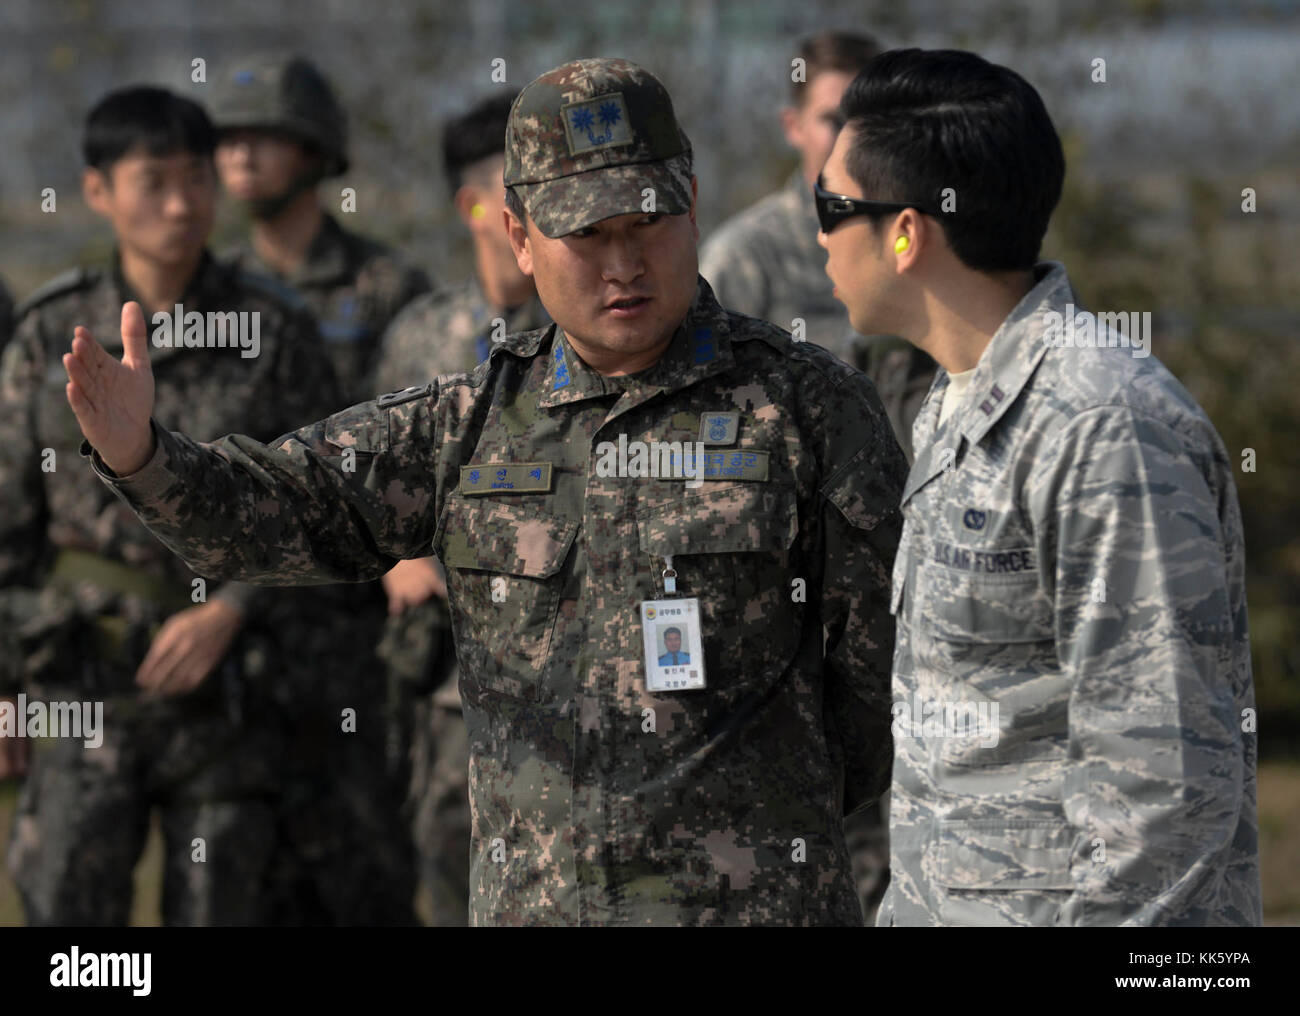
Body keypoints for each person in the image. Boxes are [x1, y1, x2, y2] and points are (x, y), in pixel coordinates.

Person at [67, 57, 907, 927]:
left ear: (691, 206)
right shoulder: (468, 423)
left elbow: (879, 683)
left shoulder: (808, 409)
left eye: (647, 222)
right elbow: (276, 510)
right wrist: (141, 455)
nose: (625, 263)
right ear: (517, 235)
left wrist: (750, 814)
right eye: (586, 234)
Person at [818, 47, 1260, 925]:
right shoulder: (956, 399)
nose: (816, 237)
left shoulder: (1102, 427)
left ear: (906, 232)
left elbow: (1164, 797)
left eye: (830, 208)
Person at [0, 86, 338, 925]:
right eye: (154, 181)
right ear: (97, 191)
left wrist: (231, 610)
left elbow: (330, 512)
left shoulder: (272, 328)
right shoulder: (51, 334)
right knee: (69, 935)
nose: (183, 204)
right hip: (80, 685)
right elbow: (6, 526)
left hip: (228, 697)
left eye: (197, 179)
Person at [700, 28, 907, 923]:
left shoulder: (913, 245)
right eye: (834, 116)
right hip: (803, 614)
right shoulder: (745, 261)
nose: (851, 136)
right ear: (794, 125)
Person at [211, 53, 422, 925]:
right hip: (234, 633)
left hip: (349, 631)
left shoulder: (386, 289)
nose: (241, 157)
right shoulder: (208, 295)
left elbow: (419, 447)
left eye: (265, 137)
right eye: (227, 139)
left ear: (314, 151)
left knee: (366, 875)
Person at [373, 91, 549, 928]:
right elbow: (372, 482)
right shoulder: (422, 337)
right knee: (449, 882)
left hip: (561, 673)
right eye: (512, 189)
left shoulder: (590, 331)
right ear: (471, 205)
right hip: (446, 687)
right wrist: (402, 556)